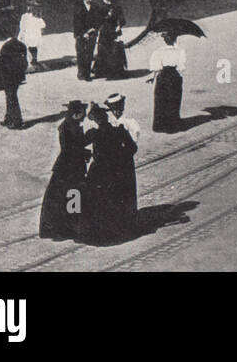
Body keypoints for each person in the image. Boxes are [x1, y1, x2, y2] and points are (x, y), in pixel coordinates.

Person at [81, 103, 138, 244]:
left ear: (95, 121)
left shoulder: (93, 134)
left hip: (99, 172)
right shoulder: (119, 130)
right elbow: (132, 148)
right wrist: (121, 158)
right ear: (107, 118)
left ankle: (100, 229)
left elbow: (76, 144)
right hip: (117, 171)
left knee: (97, 199)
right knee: (116, 198)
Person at [39, 101, 91, 240]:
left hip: (67, 166)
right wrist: (84, 152)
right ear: (76, 113)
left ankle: (65, 226)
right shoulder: (69, 128)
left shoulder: (69, 125)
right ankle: (68, 227)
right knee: (72, 195)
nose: (84, 117)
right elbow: (71, 148)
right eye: (82, 114)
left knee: (64, 196)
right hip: (70, 167)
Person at [148, 30, 187, 133]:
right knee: (173, 100)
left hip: (163, 77)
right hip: (174, 77)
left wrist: (152, 77)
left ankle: (160, 125)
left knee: (161, 100)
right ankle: (172, 124)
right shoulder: (180, 51)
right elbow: (181, 67)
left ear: (164, 40)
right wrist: (179, 76)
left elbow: (156, 67)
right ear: (175, 39)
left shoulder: (159, 51)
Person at [0, 24, 28, 129]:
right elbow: (25, 62)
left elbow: (1, 63)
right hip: (18, 76)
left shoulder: (6, 46)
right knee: (11, 97)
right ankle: (9, 119)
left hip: (8, 77)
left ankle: (16, 121)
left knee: (11, 98)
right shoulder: (21, 45)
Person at [75, 0, 99, 81]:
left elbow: (98, 19)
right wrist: (82, 33)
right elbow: (76, 22)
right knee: (80, 54)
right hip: (81, 34)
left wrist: (94, 29)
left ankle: (87, 74)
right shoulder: (78, 7)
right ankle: (81, 73)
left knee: (89, 54)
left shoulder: (95, 7)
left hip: (92, 33)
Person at [17, 0, 46, 70]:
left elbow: (42, 24)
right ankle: (32, 59)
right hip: (28, 32)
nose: (28, 7)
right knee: (28, 46)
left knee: (33, 46)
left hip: (32, 32)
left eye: (30, 6)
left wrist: (41, 29)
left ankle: (34, 59)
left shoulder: (36, 16)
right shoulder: (25, 16)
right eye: (28, 6)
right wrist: (22, 31)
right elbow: (22, 25)